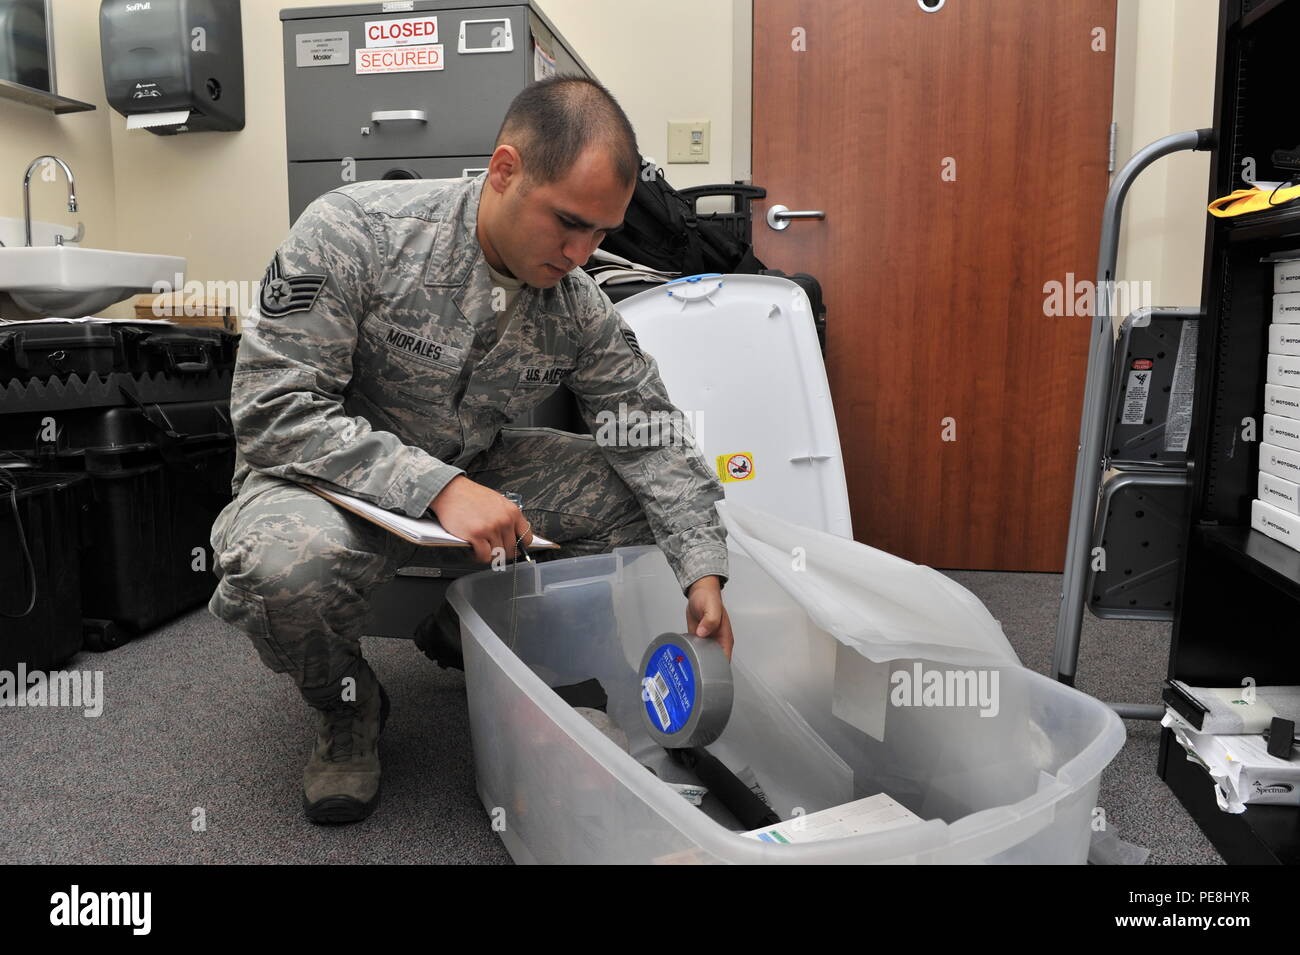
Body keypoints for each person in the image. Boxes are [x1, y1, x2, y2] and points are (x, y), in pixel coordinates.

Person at [208, 75, 735, 825]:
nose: (582, 254)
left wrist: (703, 570)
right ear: (504, 171)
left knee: (636, 498)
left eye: (602, 234)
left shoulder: (573, 299)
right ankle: (349, 705)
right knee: (282, 569)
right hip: (321, 483)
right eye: (569, 222)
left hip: (476, 466)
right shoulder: (356, 231)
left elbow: (648, 432)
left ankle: (466, 625)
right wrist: (436, 487)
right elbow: (272, 409)